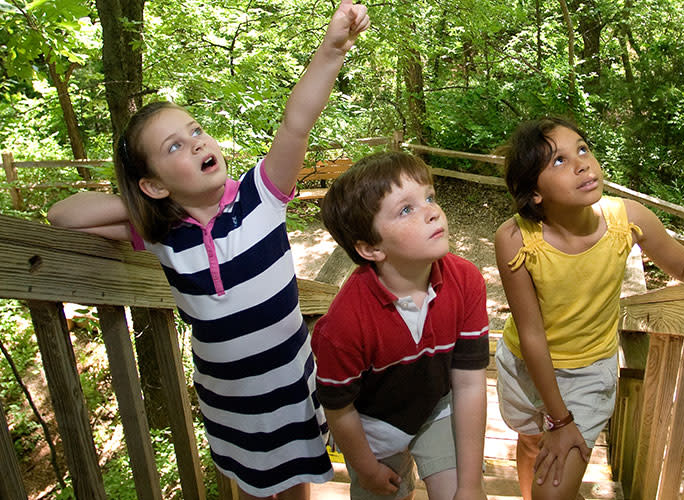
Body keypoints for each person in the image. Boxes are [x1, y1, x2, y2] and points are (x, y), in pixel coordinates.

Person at [46, 2, 369, 498]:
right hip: (228, 401)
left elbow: (297, 122)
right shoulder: (159, 234)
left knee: (295, 485)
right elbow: (64, 215)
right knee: (252, 486)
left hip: (290, 388)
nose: (196, 143)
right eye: (173, 147)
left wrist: (331, 50)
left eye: (195, 131)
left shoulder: (260, 196)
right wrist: (149, 208)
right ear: (153, 185)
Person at [494, 117, 684, 500]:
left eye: (582, 149)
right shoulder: (516, 238)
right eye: (559, 161)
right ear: (534, 192)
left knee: (552, 491)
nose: (582, 163)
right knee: (533, 442)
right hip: (525, 364)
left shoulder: (628, 219)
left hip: (587, 374)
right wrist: (556, 418)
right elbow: (532, 334)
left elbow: (680, 264)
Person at [311, 151, 490, 500]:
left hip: (437, 404)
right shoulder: (344, 325)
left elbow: (469, 383)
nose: (432, 211)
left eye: (430, 197)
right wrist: (366, 468)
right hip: (373, 428)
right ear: (371, 248)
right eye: (406, 209)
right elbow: (339, 408)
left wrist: (471, 485)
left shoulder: (465, 281)